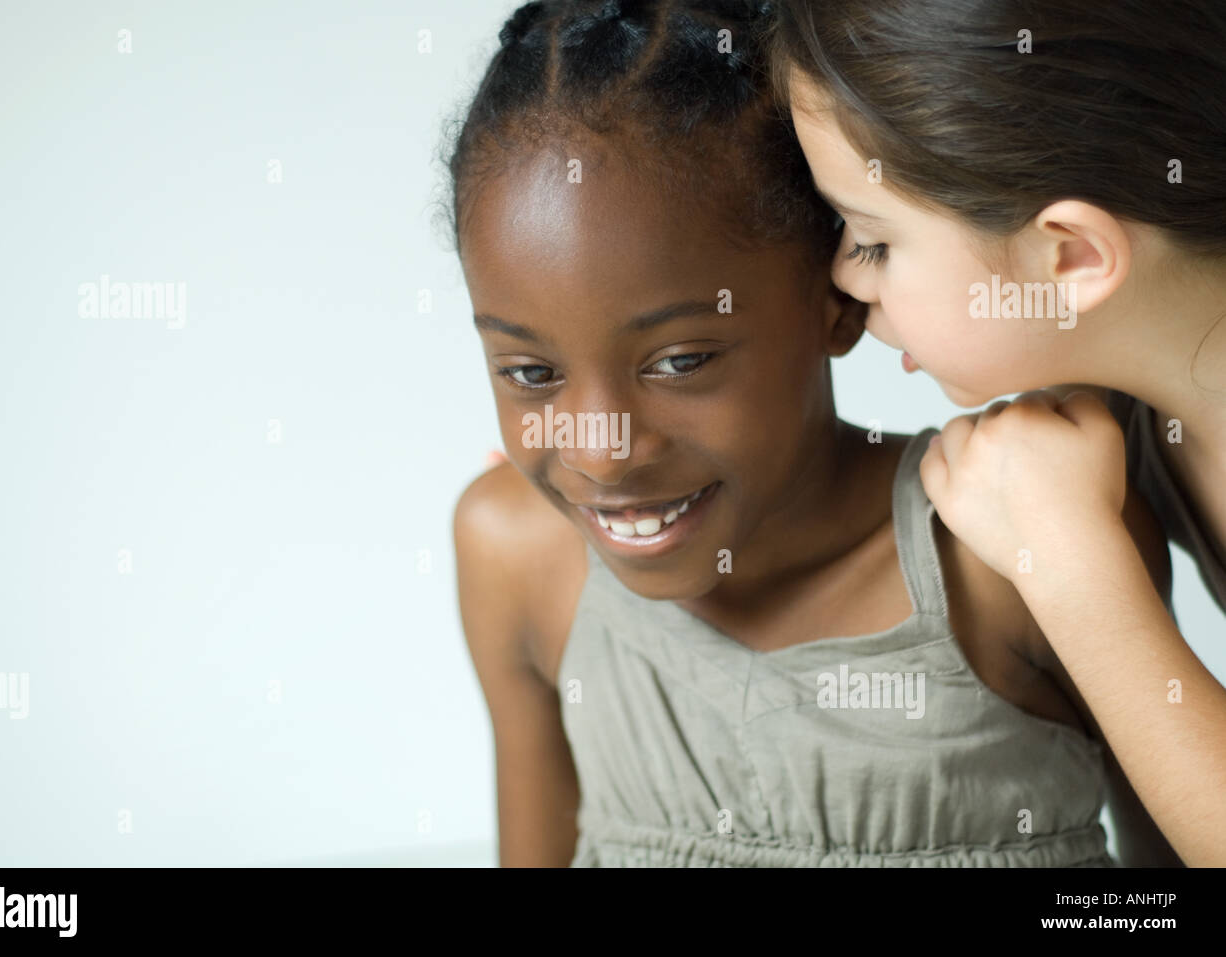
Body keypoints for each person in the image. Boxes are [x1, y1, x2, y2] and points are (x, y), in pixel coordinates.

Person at [448, 0, 1173, 866]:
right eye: (531, 374)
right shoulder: (515, 553)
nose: (599, 449)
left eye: (681, 360)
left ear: (838, 295)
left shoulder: (1016, 547)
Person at [775, 0, 1226, 864]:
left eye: (872, 240)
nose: (841, 274)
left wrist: (1074, 573)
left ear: (1073, 259)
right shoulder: (1135, 400)